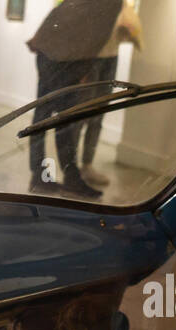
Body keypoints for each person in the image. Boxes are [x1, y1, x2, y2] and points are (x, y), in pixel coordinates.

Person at [25, 0, 127, 198]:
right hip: (59, 56)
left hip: (57, 53)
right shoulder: (112, 3)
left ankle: (51, 178)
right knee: (58, 118)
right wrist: (84, 70)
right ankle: (55, 178)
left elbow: (71, 16)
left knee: (58, 117)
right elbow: (93, 35)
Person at [78, 0, 142, 187]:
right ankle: (71, 168)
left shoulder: (121, 4)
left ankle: (87, 165)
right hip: (92, 59)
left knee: (97, 115)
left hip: (110, 58)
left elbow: (121, 30)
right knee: (80, 114)